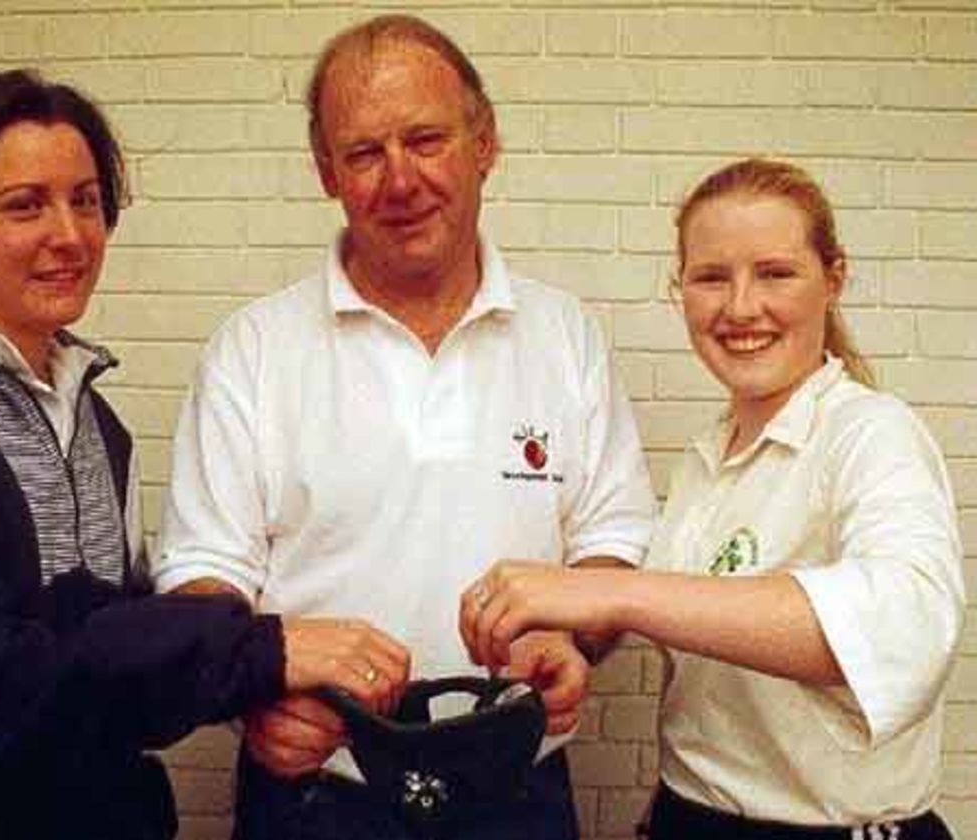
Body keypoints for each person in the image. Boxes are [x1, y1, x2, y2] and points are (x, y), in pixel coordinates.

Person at [0, 68, 405, 840]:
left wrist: (255, 700)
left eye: (85, 200)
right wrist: (264, 652)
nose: (69, 235)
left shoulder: (97, 425)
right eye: (24, 205)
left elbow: (121, 667)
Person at [153, 15, 654, 840]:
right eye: (364, 153)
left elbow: (614, 538)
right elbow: (205, 573)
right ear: (326, 173)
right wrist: (256, 690)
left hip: (516, 795)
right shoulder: (253, 349)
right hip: (316, 797)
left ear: (484, 143)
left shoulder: (566, 337)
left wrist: (567, 632)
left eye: (426, 139)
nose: (400, 179)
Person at [460, 158, 965, 840]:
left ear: (834, 279)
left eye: (776, 273)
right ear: (681, 291)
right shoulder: (709, 460)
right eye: (711, 278)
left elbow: (900, 627)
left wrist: (614, 595)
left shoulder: (871, 433)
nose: (740, 307)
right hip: (689, 816)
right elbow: (710, 659)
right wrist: (569, 648)